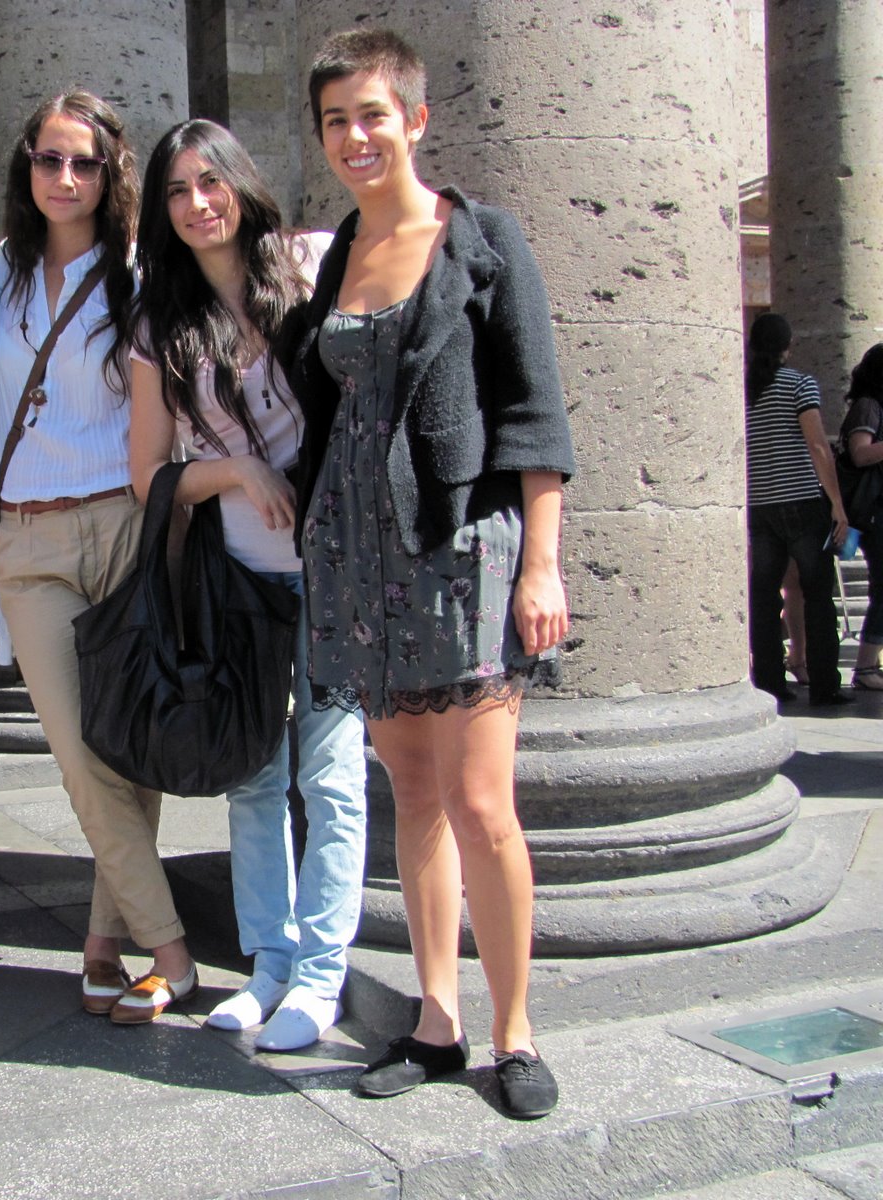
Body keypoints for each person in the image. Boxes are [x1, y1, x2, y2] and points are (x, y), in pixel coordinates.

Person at [289, 30, 576, 1118]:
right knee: (408, 794)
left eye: (371, 114)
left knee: (480, 802)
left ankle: (515, 1033)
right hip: (360, 559)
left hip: (463, 551)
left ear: (414, 117)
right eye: (334, 121)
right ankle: (436, 1020)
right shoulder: (339, 255)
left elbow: (532, 415)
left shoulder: (482, 242)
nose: (354, 137)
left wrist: (540, 567)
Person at [127, 119, 368, 1051]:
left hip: (335, 576)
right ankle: (267, 965)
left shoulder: (308, 272)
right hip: (239, 583)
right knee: (256, 779)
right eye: (178, 191)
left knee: (335, 778)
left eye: (209, 182)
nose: (197, 204)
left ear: (240, 184)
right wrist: (233, 471)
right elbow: (151, 474)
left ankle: (320, 975)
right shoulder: (161, 322)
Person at [0, 92, 197, 1025]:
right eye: (48, 160)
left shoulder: (142, 274)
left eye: (85, 164)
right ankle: (175, 951)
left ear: (112, 176)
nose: (64, 179)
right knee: (80, 756)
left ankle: (105, 942)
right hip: (28, 539)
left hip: (122, 523)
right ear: (24, 166)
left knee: (129, 748)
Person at [744, 313, 850, 705]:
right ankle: (825, 684)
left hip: (760, 505)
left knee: (764, 594)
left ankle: (770, 681)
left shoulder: (745, 390)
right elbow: (818, 447)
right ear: (788, 346)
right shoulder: (800, 385)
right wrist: (837, 504)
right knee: (818, 594)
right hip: (803, 501)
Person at [839, 343, 883, 690]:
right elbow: (861, 454)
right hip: (874, 516)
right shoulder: (868, 407)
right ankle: (866, 666)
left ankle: (869, 664)